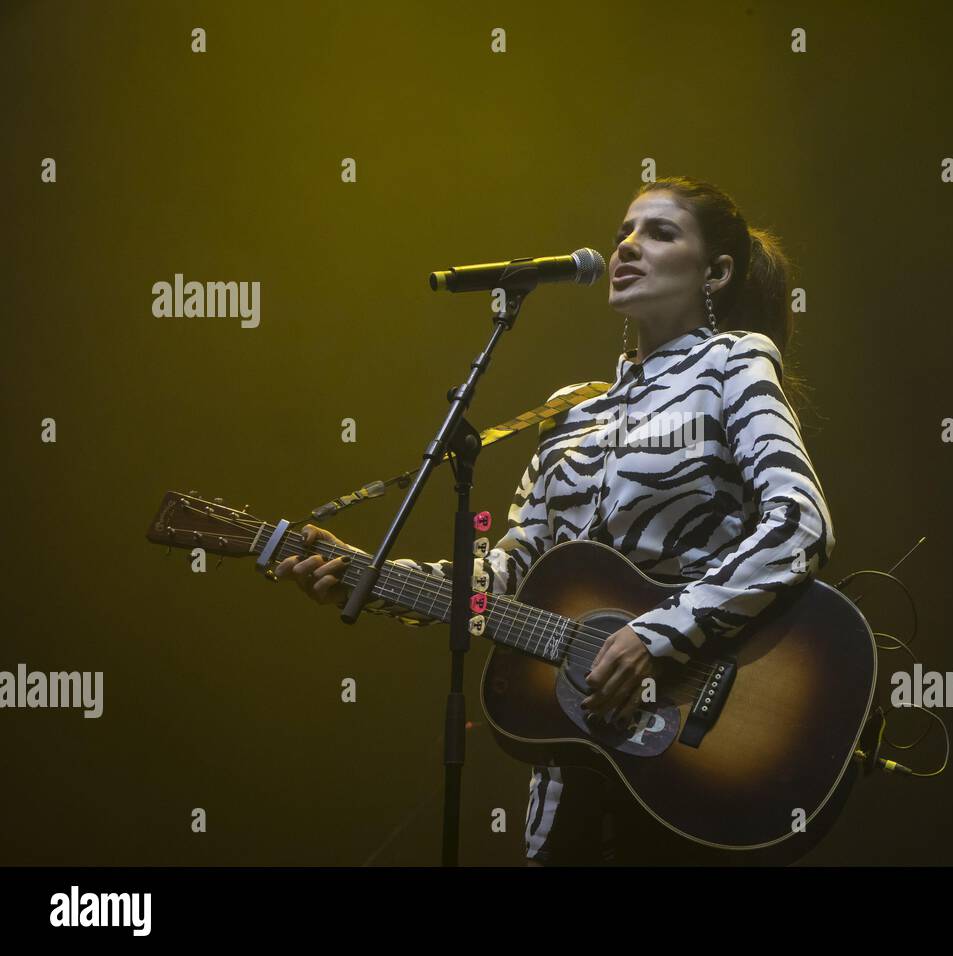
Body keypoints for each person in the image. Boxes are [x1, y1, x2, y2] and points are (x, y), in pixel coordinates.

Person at [274, 176, 836, 865]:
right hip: (576, 759)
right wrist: (370, 576)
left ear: (717, 271)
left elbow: (799, 521)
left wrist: (656, 635)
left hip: (696, 740)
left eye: (660, 232)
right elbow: (503, 580)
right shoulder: (571, 408)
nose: (628, 246)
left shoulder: (734, 364)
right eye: (623, 231)